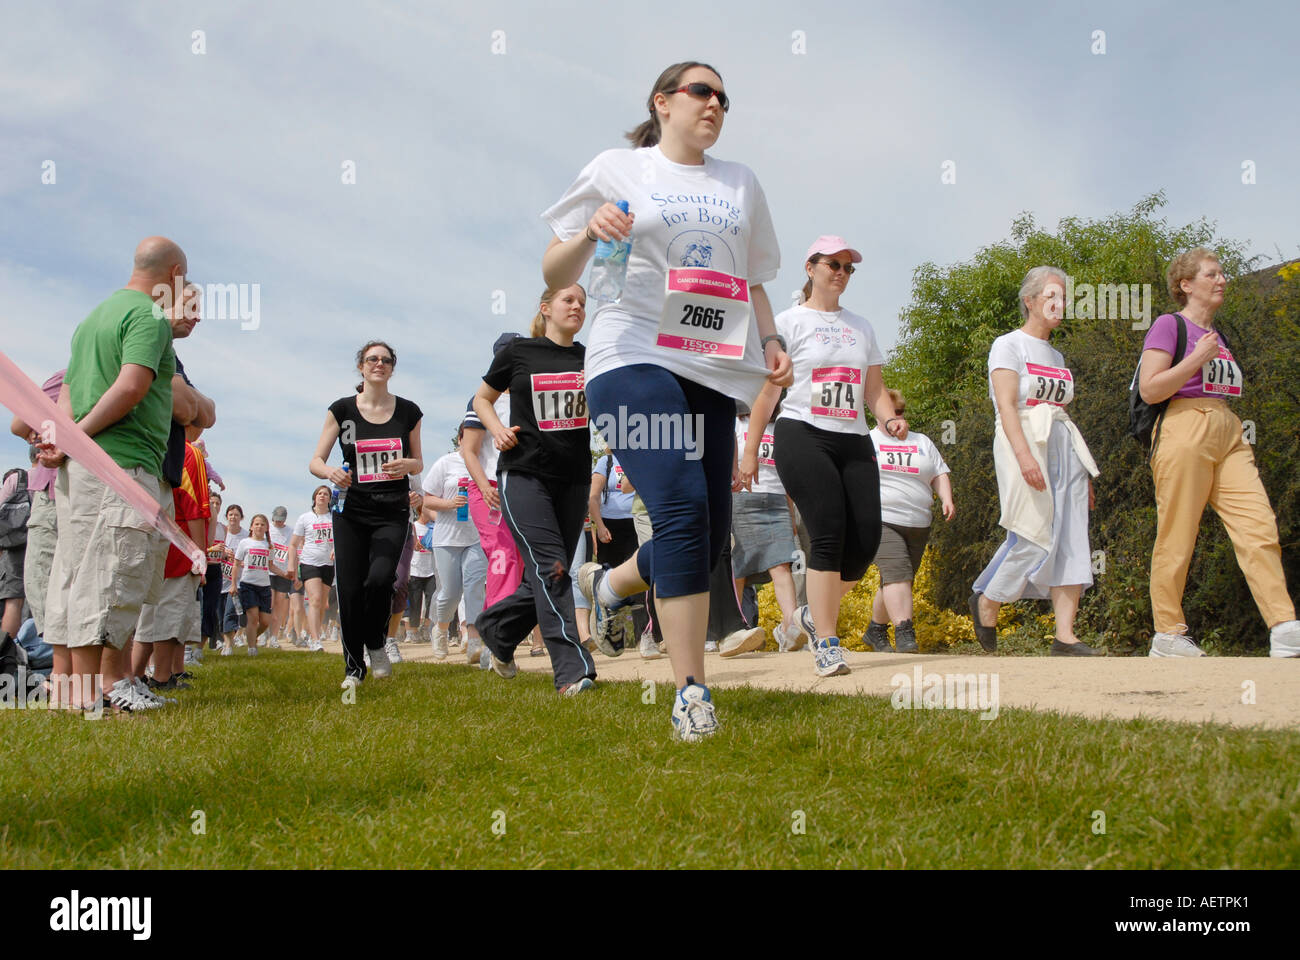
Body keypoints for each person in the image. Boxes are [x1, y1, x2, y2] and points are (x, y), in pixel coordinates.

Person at [543, 61, 791, 740]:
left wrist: (769, 340)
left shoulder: (740, 182)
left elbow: (755, 278)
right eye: (701, 91)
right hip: (630, 355)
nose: (715, 104)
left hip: (710, 365)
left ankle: (613, 583)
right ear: (662, 102)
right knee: (679, 506)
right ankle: (691, 693)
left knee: (706, 536)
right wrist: (590, 233)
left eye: (723, 97)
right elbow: (553, 268)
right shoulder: (620, 169)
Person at [748, 236, 906, 677]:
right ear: (811, 267)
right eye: (832, 264)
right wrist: (748, 452)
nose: (840, 272)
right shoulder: (788, 322)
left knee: (866, 540)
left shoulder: (862, 326)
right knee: (828, 534)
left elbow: (873, 390)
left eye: (848, 267)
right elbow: (768, 392)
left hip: (853, 438)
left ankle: (807, 616)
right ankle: (828, 642)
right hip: (802, 434)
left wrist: (889, 419)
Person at [40, 236, 186, 712]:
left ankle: (74, 692)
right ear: (174, 274)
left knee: (75, 571)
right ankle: (101, 692)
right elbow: (132, 386)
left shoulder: (90, 320)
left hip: (81, 468)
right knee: (108, 577)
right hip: (122, 465)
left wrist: (65, 438)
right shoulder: (149, 315)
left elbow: (66, 391)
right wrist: (77, 436)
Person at [1138, 248, 1299, 657]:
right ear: (1186, 284)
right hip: (1182, 426)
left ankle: (1283, 628)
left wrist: (1209, 354)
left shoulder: (1220, 337)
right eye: (1212, 274)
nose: (1222, 279)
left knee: (1259, 525)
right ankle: (1168, 635)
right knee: (1178, 533)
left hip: (1227, 428)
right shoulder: (1168, 325)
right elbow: (1150, 388)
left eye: (1223, 273)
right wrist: (1196, 358)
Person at [969, 266, 1101, 656]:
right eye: (1051, 296)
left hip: (1063, 444)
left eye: (1063, 297)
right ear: (1030, 301)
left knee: (1073, 535)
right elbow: (1007, 406)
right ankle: (989, 599)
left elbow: (1059, 411)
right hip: (1023, 441)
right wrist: (1025, 456)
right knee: (1031, 534)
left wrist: (1081, 471)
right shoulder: (1008, 345)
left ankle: (1065, 635)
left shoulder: (1057, 354)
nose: (1059, 304)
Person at [473, 285, 597, 693]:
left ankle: (497, 631)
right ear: (546, 309)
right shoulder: (519, 351)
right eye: (568, 300)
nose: (577, 306)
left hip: (574, 477)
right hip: (523, 473)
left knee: (545, 573)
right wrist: (495, 430)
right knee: (553, 568)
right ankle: (572, 672)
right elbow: (483, 399)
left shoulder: (590, 357)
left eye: (582, 301)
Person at [309, 340, 423, 688]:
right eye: (372, 359)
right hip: (350, 511)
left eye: (385, 360)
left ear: (392, 368)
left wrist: (408, 464)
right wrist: (330, 473)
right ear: (361, 366)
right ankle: (353, 668)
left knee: (380, 579)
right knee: (349, 589)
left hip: (392, 510)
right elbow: (315, 461)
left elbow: (419, 460)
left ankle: (376, 642)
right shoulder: (342, 410)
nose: (379, 364)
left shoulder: (408, 412)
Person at [859, 389, 954, 653]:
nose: (896, 417)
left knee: (897, 579)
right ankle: (904, 631)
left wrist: (946, 498)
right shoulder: (867, 440)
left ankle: (875, 630)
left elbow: (939, 472)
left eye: (900, 412)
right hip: (882, 519)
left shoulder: (922, 441)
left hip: (918, 521)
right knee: (898, 574)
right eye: (891, 413)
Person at [734, 401, 802, 652]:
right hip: (741, 499)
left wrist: (791, 512)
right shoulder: (736, 424)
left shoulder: (779, 428)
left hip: (776, 501)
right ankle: (735, 626)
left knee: (782, 564)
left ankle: (789, 627)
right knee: (738, 568)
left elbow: (788, 474)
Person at [421, 427, 489, 664]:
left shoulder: (486, 463)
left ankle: (474, 642)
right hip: (447, 538)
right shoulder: (445, 463)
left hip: (477, 537)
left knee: (474, 589)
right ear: (461, 439)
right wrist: (450, 504)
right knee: (450, 593)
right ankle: (439, 629)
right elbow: (426, 499)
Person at [9, 370, 63, 639]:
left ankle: (58, 663)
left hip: (55, 490)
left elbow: (19, 425)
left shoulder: (69, 376)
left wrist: (37, 434)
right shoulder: (72, 379)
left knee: (43, 578)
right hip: (61, 488)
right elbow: (19, 426)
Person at [231, 514, 289, 654]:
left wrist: (284, 574)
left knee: (265, 621)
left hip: (264, 587)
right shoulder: (245, 543)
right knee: (253, 616)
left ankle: (251, 636)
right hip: (248, 585)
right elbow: (236, 564)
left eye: (262, 524)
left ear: (267, 528)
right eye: (256, 524)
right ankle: (252, 648)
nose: (259, 526)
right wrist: (233, 584)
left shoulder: (269, 545)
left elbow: (271, 566)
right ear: (251, 527)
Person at [290, 486, 334, 651]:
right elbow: (293, 545)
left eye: (326, 494)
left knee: (322, 604)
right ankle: (316, 641)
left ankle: (309, 633)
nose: (322, 496)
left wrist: (336, 549)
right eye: (320, 493)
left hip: (328, 565)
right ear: (314, 497)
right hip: (309, 562)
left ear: (330, 499)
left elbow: (341, 539)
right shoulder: (305, 518)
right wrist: (291, 567)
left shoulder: (334, 518)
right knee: (314, 599)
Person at [408, 504, 438, 651]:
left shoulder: (434, 527)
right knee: (415, 601)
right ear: (421, 511)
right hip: (415, 570)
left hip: (431, 570)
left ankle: (426, 627)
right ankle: (413, 630)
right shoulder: (414, 526)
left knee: (432, 599)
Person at [268, 506, 296, 646]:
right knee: (270, 604)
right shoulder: (268, 529)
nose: (279, 523)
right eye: (277, 520)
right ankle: (264, 633)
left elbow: (293, 550)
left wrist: (292, 570)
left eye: (281, 520)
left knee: (279, 606)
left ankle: (273, 637)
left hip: (283, 573)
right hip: (269, 572)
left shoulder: (290, 531)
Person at [219, 504, 245, 652]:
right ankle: (225, 641)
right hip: (220, 578)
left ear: (241, 517)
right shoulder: (222, 532)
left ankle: (228, 645)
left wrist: (236, 559)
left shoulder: (245, 535)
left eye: (236, 514)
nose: (233, 517)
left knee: (230, 612)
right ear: (227, 516)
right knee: (220, 614)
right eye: (230, 514)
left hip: (236, 581)